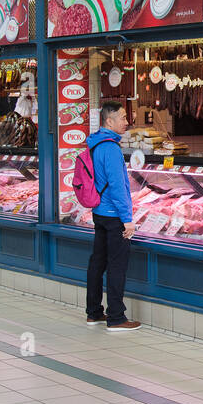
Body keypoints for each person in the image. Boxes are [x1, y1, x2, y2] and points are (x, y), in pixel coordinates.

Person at [84, 99, 141, 333]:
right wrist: (127, 219)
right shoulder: (111, 148)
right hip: (114, 215)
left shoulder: (95, 143)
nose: (126, 122)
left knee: (98, 262)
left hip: (99, 212)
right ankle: (116, 317)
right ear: (109, 120)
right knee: (117, 266)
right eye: (123, 118)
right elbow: (119, 186)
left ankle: (94, 312)